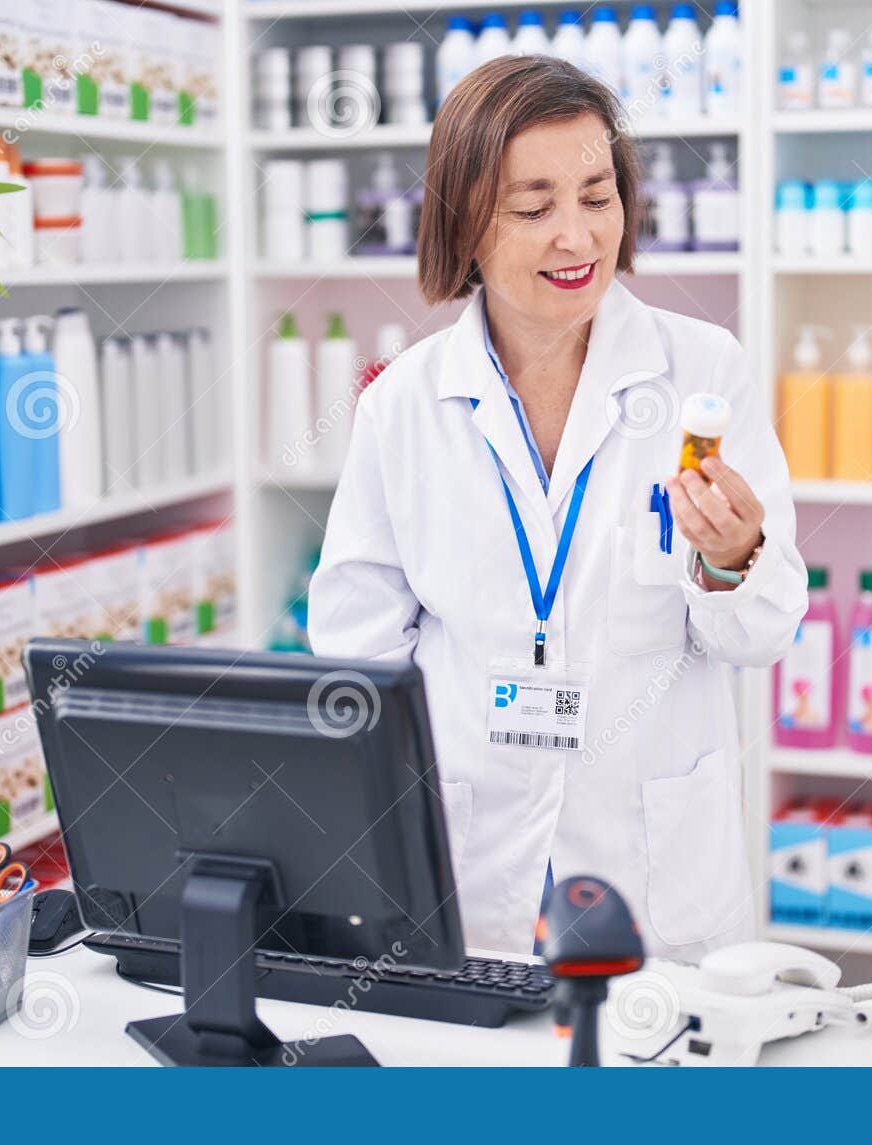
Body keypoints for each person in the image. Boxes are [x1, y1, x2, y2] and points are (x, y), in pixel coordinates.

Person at [309, 55, 807, 962]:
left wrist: (734, 558)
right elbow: (354, 648)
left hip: (651, 855)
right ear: (464, 227)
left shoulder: (702, 374)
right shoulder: (405, 403)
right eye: (534, 208)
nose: (577, 237)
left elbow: (761, 635)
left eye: (597, 196)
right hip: (468, 849)